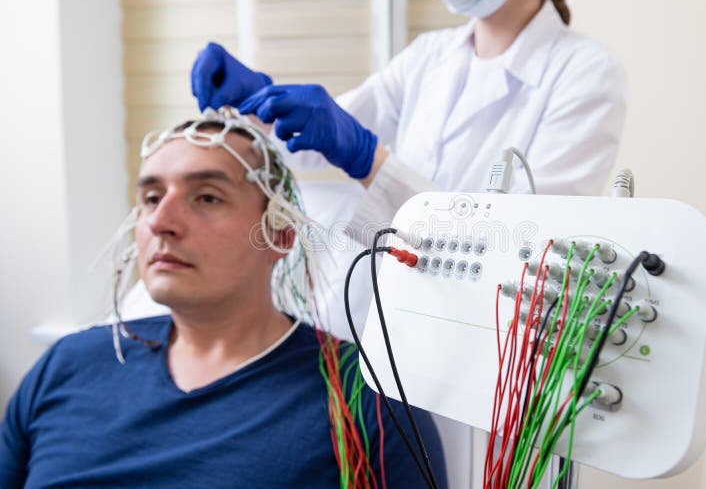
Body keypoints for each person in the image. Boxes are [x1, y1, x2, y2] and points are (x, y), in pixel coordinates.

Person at [189, 0, 627, 341]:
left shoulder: (585, 74)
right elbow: (316, 141)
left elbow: (522, 252)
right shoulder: (430, 56)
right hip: (368, 309)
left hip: (471, 337)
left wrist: (369, 160)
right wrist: (257, 101)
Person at [0, 113, 446, 488]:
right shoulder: (66, 366)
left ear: (279, 234)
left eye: (207, 197)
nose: (161, 221)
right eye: (151, 197)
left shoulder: (362, 399)